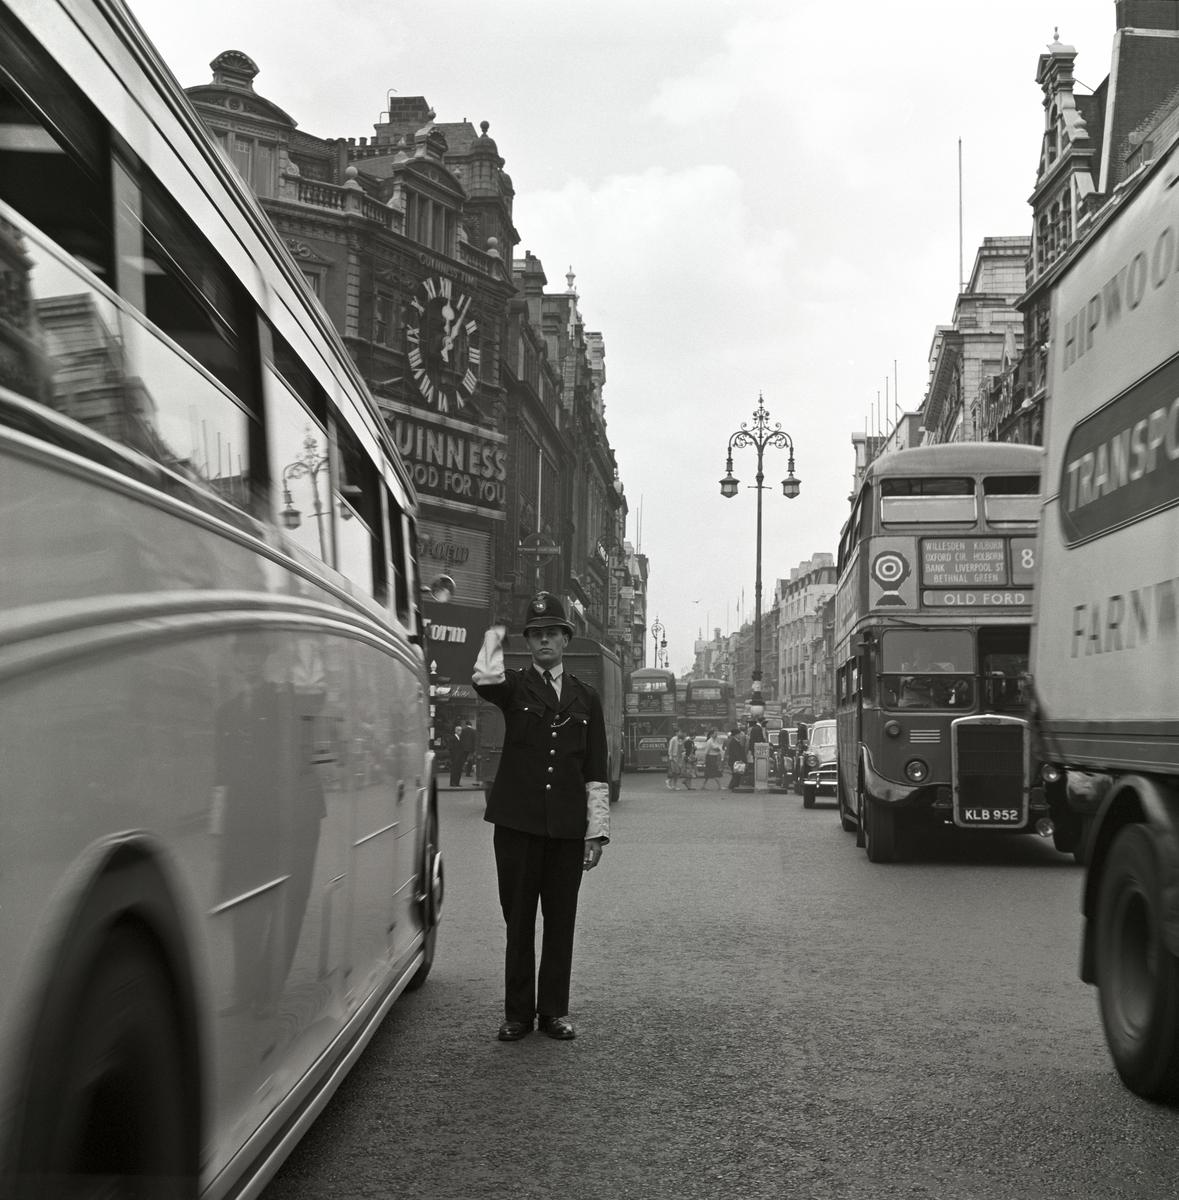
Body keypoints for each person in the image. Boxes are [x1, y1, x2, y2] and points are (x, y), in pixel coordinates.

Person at [472, 592, 609, 1043]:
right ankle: (517, 1014)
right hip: (517, 826)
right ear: (527, 642)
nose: (543, 640)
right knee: (518, 921)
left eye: (551, 632)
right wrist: (496, 632)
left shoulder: (586, 697)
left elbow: (595, 771)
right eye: (535, 634)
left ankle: (554, 1012)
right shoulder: (513, 687)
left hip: (567, 830)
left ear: (566, 639)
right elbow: (483, 678)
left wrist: (596, 833)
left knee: (561, 919)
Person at [724, 727, 745, 791]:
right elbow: (736, 752)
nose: (740, 736)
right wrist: (740, 759)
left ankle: (734, 786)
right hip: (734, 761)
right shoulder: (733, 742)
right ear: (736, 735)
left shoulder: (736, 741)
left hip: (735, 760)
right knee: (736, 774)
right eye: (739, 734)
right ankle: (732, 786)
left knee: (736, 774)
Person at [459, 718, 479, 783]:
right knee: (470, 760)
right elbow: (475, 740)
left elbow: (461, 739)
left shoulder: (463, 730)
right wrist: (474, 749)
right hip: (471, 749)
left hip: (463, 748)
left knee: (462, 760)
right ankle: (468, 773)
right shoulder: (474, 731)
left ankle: (460, 771)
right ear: (471, 724)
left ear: (466, 724)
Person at [448, 722, 467, 787]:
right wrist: (452, 757)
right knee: (454, 770)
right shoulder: (452, 738)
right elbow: (450, 748)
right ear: (455, 731)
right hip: (454, 758)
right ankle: (452, 783)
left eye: (461, 730)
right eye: (458, 730)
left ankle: (457, 782)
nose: (460, 731)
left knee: (459, 770)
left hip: (460, 758)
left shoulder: (461, 738)